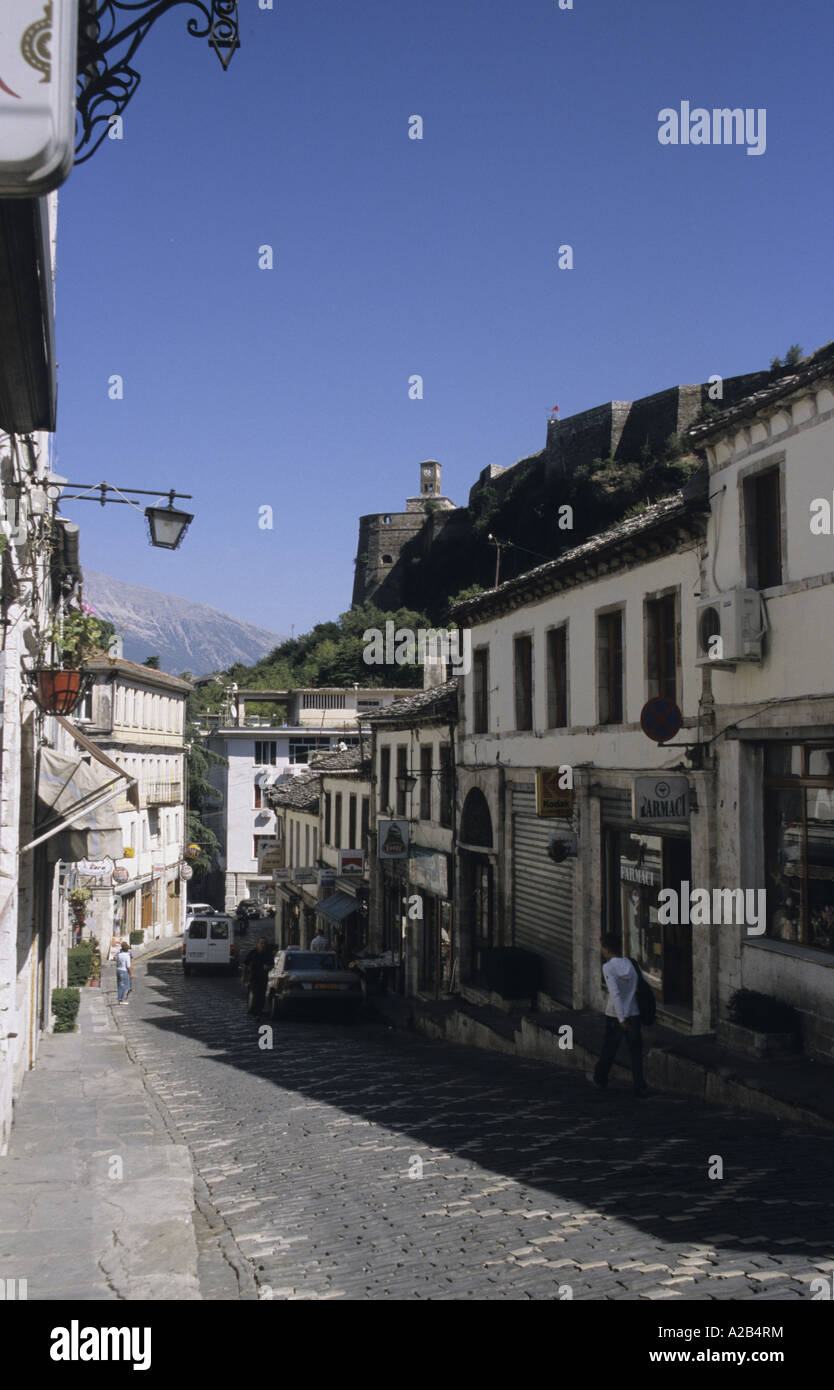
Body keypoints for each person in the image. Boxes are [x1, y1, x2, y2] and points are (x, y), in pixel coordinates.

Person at [593, 932, 649, 1097]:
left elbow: (615, 993)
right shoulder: (631, 964)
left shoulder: (608, 967)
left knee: (609, 1049)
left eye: (603, 947)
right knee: (636, 1051)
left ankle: (600, 1078)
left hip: (616, 1015)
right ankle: (639, 1085)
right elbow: (643, 984)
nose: (602, 950)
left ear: (607, 949)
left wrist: (621, 1018)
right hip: (634, 1012)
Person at [243, 937, 274, 1018]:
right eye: (261, 943)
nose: (263, 945)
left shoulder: (268, 954)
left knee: (262, 995)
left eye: (264, 943)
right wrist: (243, 976)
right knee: (256, 994)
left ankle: (258, 1011)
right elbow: (245, 964)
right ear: (258, 944)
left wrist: (268, 967)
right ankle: (256, 1012)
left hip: (263, 977)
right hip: (254, 977)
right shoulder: (253, 953)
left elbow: (272, 965)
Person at [115, 940, 132, 1005]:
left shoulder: (119, 955)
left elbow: (117, 963)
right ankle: (123, 1000)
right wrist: (131, 974)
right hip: (124, 971)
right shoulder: (127, 956)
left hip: (118, 970)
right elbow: (128, 966)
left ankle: (120, 999)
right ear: (127, 949)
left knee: (120, 985)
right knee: (126, 986)